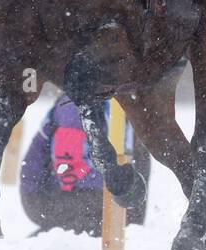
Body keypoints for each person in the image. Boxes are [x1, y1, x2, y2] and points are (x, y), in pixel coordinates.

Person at [20, 95, 151, 236]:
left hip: (45, 202)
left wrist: (31, 195)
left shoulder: (61, 109)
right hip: (100, 202)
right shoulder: (115, 110)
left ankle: (65, 231)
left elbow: (33, 158)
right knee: (137, 153)